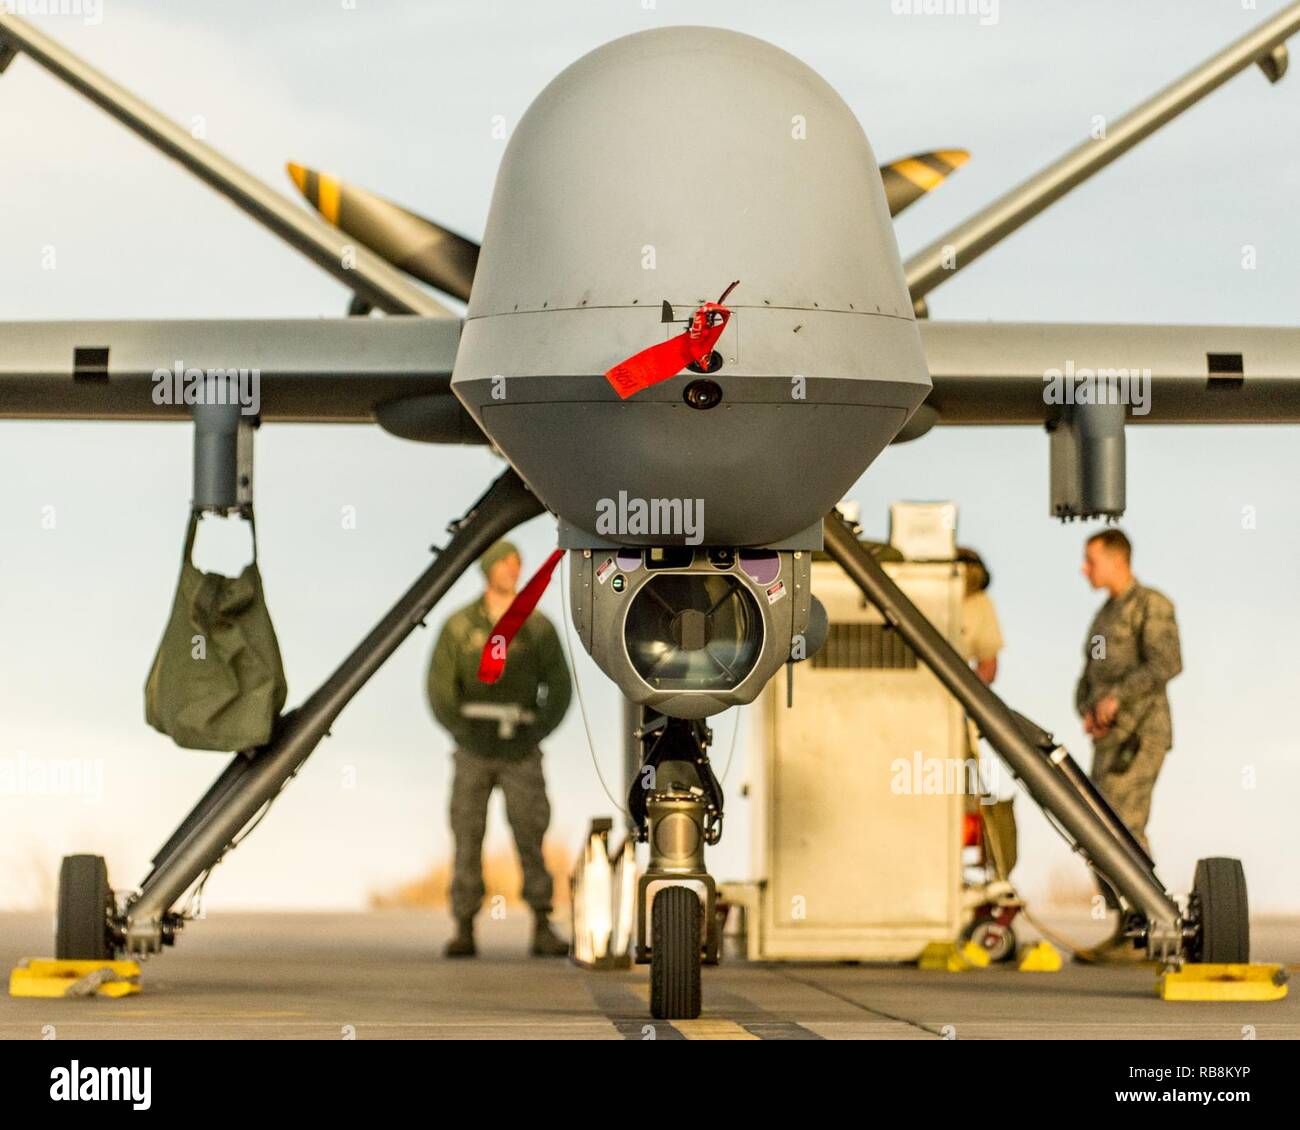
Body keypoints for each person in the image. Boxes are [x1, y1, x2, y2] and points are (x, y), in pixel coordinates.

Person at [427, 539, 573, 958]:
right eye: (506, 563)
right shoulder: (459, 627)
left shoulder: (537, 627)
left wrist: (536, 731)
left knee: (531, 830)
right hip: (473, 747)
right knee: (467, 831)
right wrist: (462, 731)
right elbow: (439, 689)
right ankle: (464, 924)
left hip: (521, 748)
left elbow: (559, 687)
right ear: (488, 568)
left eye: (518, 562)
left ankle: (543, 922)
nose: (514, 569)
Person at [1074, 528, 1182, 961]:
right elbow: (1090, 674)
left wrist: (1118, 698)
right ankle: (1128, 929)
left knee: (1124, 826)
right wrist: (1089, 707)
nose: (1084, 569)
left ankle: (1148, 926)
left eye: (1091, 560)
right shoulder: (1103, 619)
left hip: (1141, 734)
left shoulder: (1150, 606)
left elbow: (1167, 662)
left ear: (1118, 560)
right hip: (1109, 739)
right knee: (1097, 828)